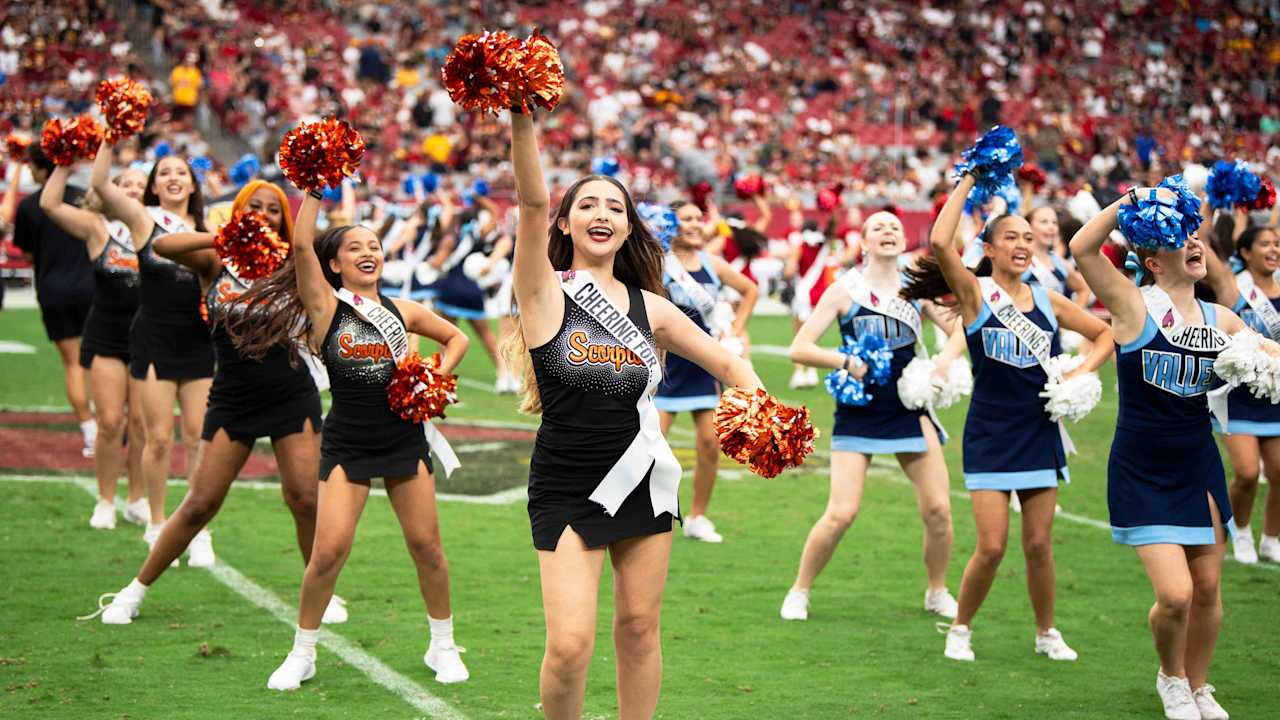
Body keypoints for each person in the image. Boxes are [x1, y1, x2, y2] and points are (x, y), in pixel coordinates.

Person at [504, 104, 761, 719]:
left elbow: (730, 364)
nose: (602, 215)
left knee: (641, 627)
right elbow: (532, 204)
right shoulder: (543, 292)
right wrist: (520, 116)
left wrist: (759, 409)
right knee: (570, 645)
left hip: (642, 477)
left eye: (615, 208)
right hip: (568, 481)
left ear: (628, 229)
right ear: (566, 224)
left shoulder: (653, 308)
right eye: (587, 205)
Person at [89, 180, 348, 626]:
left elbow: (312, 243)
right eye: (254, 208)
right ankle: (133, 591)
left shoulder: (293, 263)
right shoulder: (215, 261)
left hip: (290, 392)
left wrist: (313, 195)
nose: (263, 214)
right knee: (200, 503)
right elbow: (163, 245)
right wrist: (224, 236)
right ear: (238, 212)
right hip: (232, 396)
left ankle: (323, 592)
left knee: (305, 500)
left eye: (272, 210)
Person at [1069, 182, 1272, 720]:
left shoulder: (1219, 319)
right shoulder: (1132, 307)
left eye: (1196, 235)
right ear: (1155, 261)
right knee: (1176, 594)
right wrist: (1132, 200)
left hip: (1198, 465)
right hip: (1142, 469)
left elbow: (1272, 349)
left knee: (1208, 591)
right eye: (1180, 236)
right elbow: (1083, 248)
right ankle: (1171, 677)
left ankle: (1200, 686)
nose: (1194, 243)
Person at [254, 190, 471, 690]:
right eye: (355, 247)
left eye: (373, 244)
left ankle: (442, 644)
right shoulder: (326, 309)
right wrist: (312, 188)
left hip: (404, 440)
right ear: (335, 263)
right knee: (328, 553)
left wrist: (431, 376)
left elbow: (455, 339)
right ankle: (302, 652)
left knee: (427, 547)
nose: (368, 252)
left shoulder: (404, 309)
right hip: (348, 442)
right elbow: (302, 248)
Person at [903, 173, 1113, 663]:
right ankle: (960, 628)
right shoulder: (975, 295)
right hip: (991, 434)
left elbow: (1104, 335)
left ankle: (1046, 632)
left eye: (1027, 237)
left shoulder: (1046, 298)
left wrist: (1076, 374)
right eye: (1010, 238)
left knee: (1039, 545)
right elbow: (938, 240)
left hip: (1039, 431)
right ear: (990, 249)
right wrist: (970, 178)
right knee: (993, 546)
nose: (1022, 244)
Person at [781, 211, 963, 622]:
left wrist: (942, 364)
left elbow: (962, 328)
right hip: (860, 411)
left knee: (938, 510)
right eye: (878, 227)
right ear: (863, 242)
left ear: (903, 241)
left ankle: (937, 590)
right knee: (842, 512)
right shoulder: (845, 289)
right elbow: (800, 348)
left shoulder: (917, 287)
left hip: (910, 409)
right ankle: (800, 589)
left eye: (894, 228)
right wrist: (845, 360)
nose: (888, 232)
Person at [91, 140, 213, 562]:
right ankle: (157, 522)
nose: (174, 178)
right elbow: (100, 187)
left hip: (200, 340)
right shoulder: (143, 222)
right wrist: (111, 135)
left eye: (181, 172)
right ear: (154, 187)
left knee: (198, 437)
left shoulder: (210, 223)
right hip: (156, 336)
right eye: (165, 173)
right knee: (158, 437)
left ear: (193, 184)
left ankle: (198, 528)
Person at [38, 160, 149, 529]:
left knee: (140, 424)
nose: (133, 189)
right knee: (110, 422)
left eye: (140, 185)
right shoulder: (97, 227)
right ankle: (105, 500)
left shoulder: (161, 229)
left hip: (149, 337)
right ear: (110, 189)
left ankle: (136, 499)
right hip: (106, 334)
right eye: (126, 183)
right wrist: (64, 166)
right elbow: (50, 205)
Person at [656, 200, 758, 543]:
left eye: (699, 219)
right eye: (686, 219)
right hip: (666, 368)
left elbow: (750, 290)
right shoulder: (657, 266)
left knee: (710, 445)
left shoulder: (713, 265)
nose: (696, 225)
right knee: (648, 446)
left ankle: (698, 516)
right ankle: (638, 514)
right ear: (670, 225)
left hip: (703, 369)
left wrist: (735, 330)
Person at [1200, 219, 1280, 564]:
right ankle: (1242, 530)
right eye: (1264, 244)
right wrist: (1206, 207)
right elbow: (1202, 241)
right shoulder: (1233, 289)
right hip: (1238, 398)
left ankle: (1271, 538)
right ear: (1245, 252)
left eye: (1276, 243)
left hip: (1275, 397)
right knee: (1247, 473)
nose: (1273, 250)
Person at [12, 145, 97, 457]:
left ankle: (90, 431)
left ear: (39, 166)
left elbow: (27, 253)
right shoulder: (83, 197)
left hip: (53, 289)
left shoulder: (30, 206)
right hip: (91, 286)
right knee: (100, 361)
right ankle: (113, 425)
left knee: (73, 364)